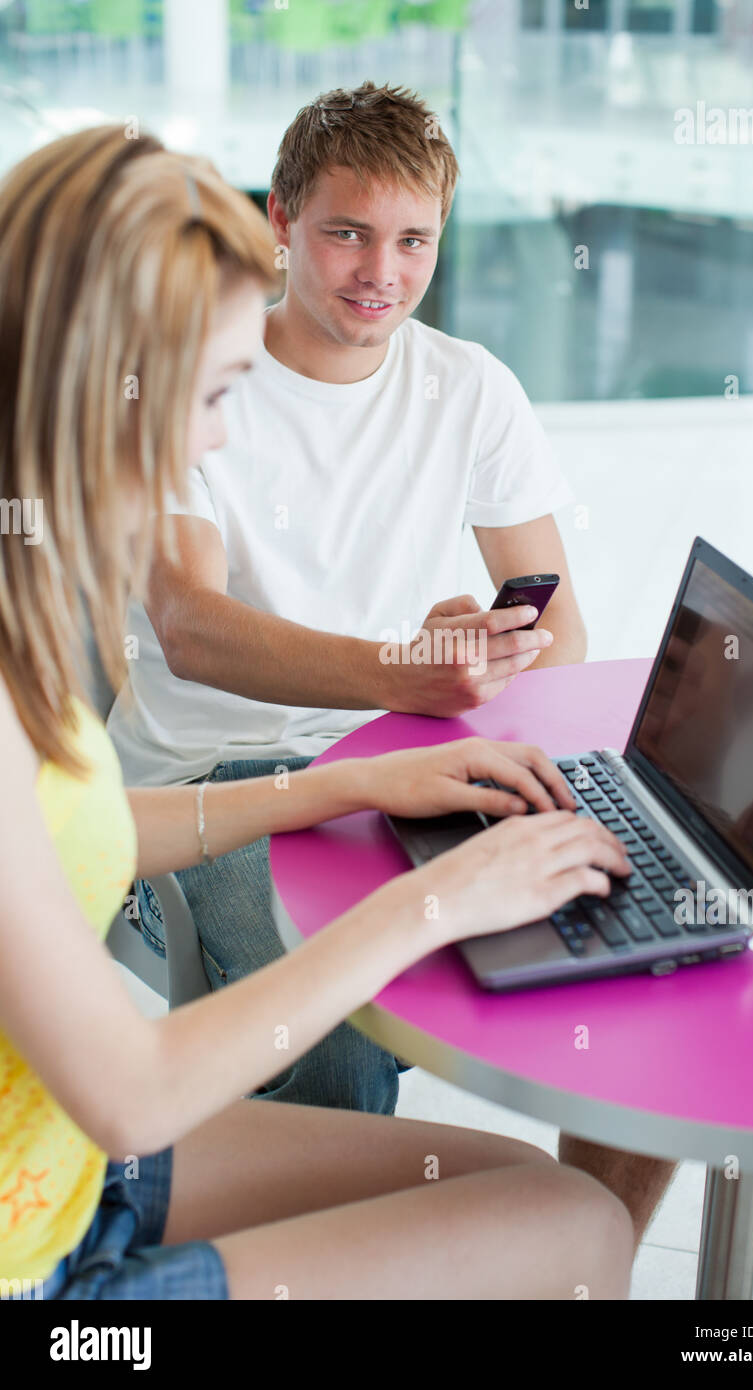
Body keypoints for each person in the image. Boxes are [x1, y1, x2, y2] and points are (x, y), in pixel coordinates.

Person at [0, 124, 634, 1300]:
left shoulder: (26, 597)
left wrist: (346, 782)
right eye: (215, 392)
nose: (224, 434)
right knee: (576, 1239)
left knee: (558, 1201)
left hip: (68, 1172)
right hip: (39, 1263)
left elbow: (51, 836)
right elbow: (132, 1090)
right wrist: (436, 898)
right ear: (105, 382)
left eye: (410, 240)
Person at [107, 80, 585, 1118]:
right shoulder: (194, 382)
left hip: (392, 759)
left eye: (414, 240)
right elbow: (189, 625)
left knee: (619, 931)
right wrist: (402, 674)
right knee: (340, 1049)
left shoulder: (470, 388)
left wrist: (479, 661)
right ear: (279, 221)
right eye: (347, 233)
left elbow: (560, 632)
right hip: (211, 777)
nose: (382, 273)